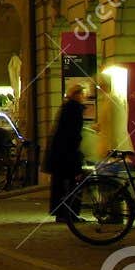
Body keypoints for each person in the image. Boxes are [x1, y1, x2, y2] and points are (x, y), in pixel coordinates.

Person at [44, 83, 88, 223]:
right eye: (82, 94)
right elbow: (73, 133)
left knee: (61, 184)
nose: (84, 97)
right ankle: (70, 213)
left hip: (60, 154)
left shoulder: (66, 107)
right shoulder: (74, 109)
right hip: (68, 154)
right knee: (74, 183)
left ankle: (61, 213)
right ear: (77, 94)